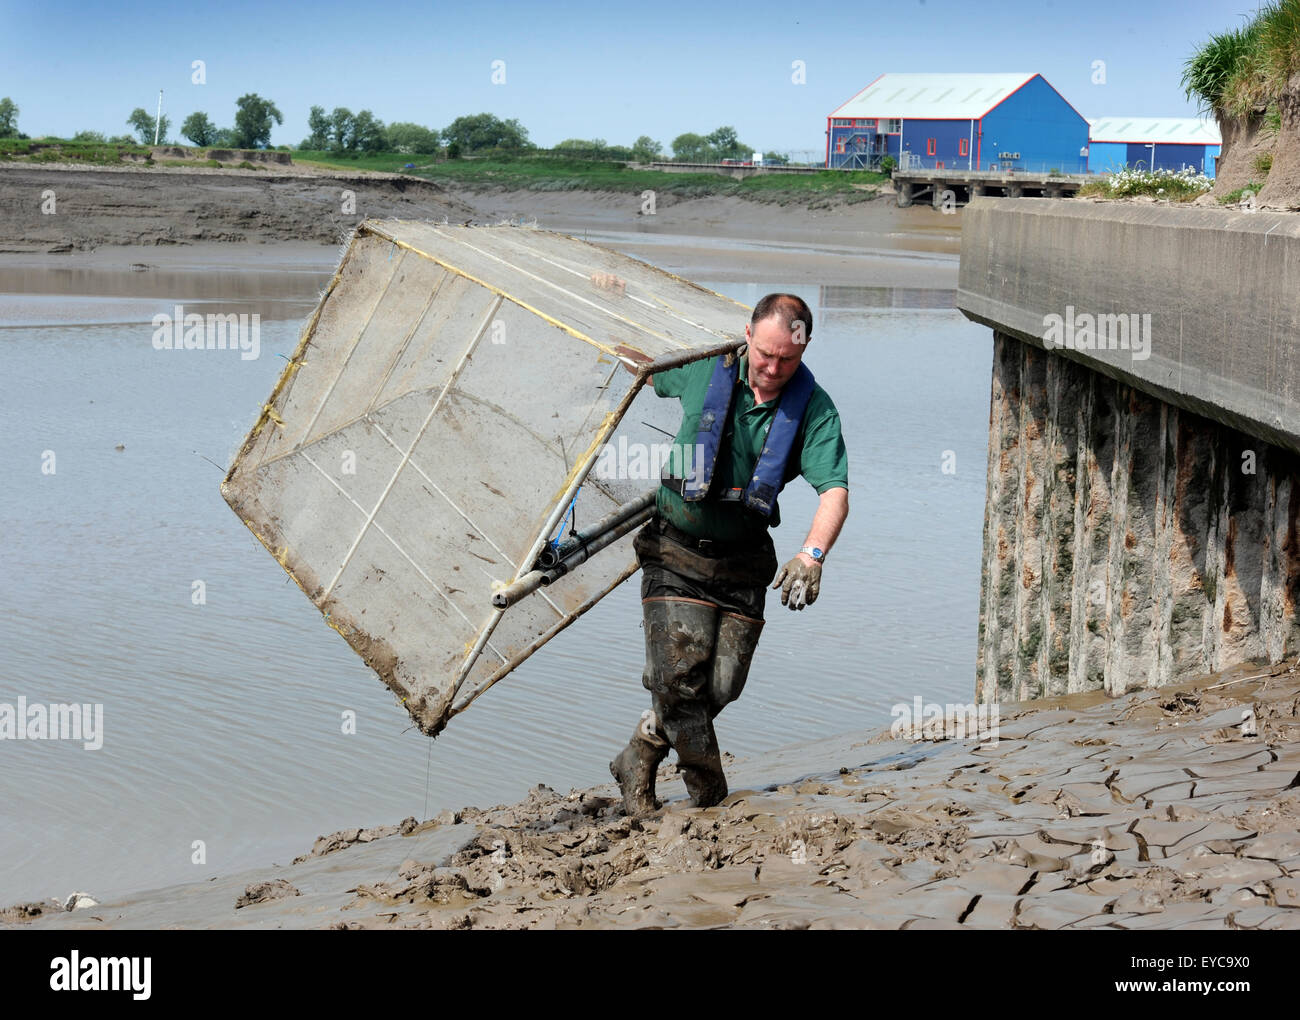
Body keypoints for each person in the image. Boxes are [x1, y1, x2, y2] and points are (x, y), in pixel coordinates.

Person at [609, 293, 849, 816]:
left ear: (804, 351)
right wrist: (608, 306)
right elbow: (642, 364)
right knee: (678, 679)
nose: (772, 367)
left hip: (743, 560)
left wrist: (812, 554)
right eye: (765, 353)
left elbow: (834, 491)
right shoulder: (701, 369)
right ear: (747, 335)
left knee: (718, 688)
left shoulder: (814, 407)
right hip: (674, 548)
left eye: (787, 359)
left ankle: (642, 749)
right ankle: (711, 796)